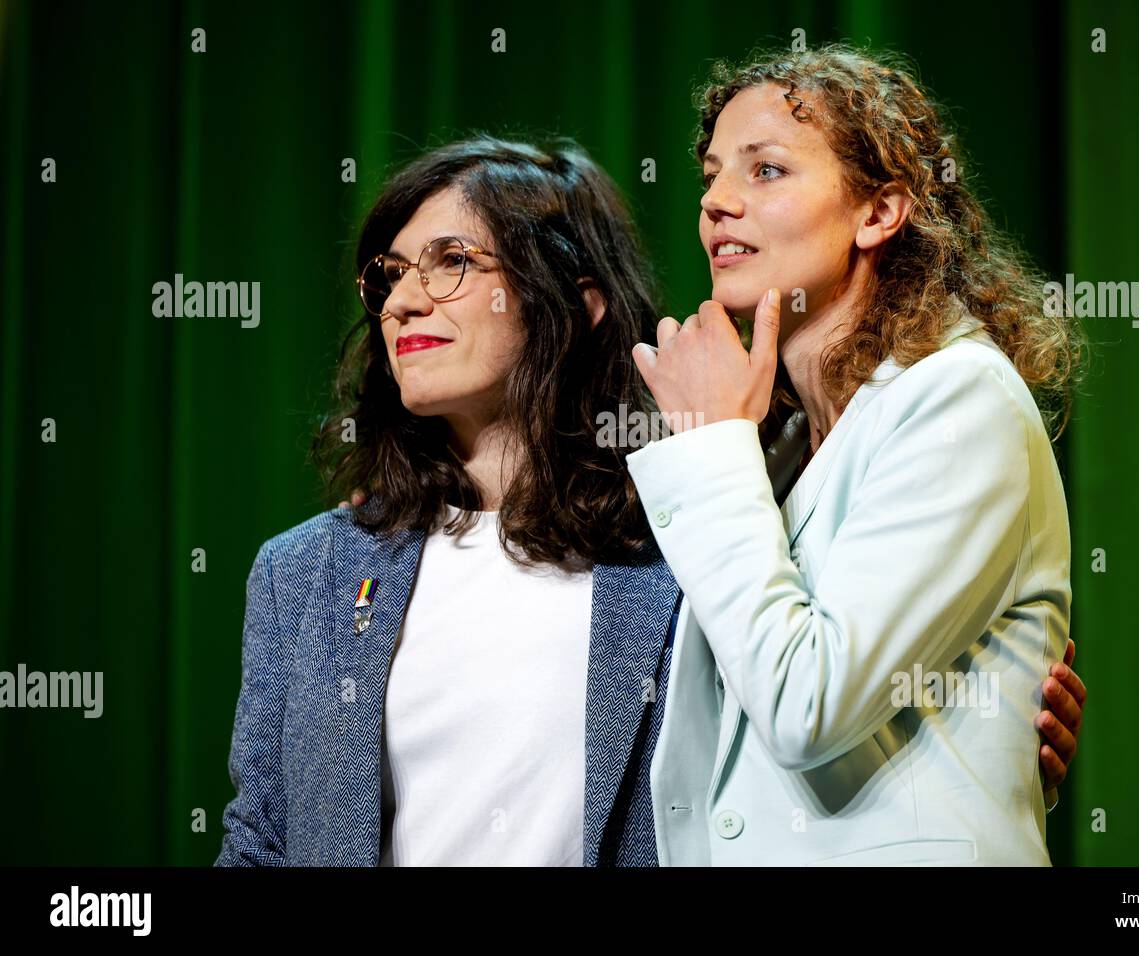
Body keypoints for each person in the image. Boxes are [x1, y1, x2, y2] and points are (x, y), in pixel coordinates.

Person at [217, 132, 1085, 868]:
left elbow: (816, 724)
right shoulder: (309, 573)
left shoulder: (693, 547)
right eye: (391, 274)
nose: (405, 299)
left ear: (578, 302)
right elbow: (259, 843)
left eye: (451, 262)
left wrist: (981, 723)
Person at [628, 43, 1085, 864]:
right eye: (710, 174)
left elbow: (810, 706)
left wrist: (706, 446)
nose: (717, 203)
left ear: (879, 213)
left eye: (765, 171)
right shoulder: (782, 442)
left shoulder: (959, 401)